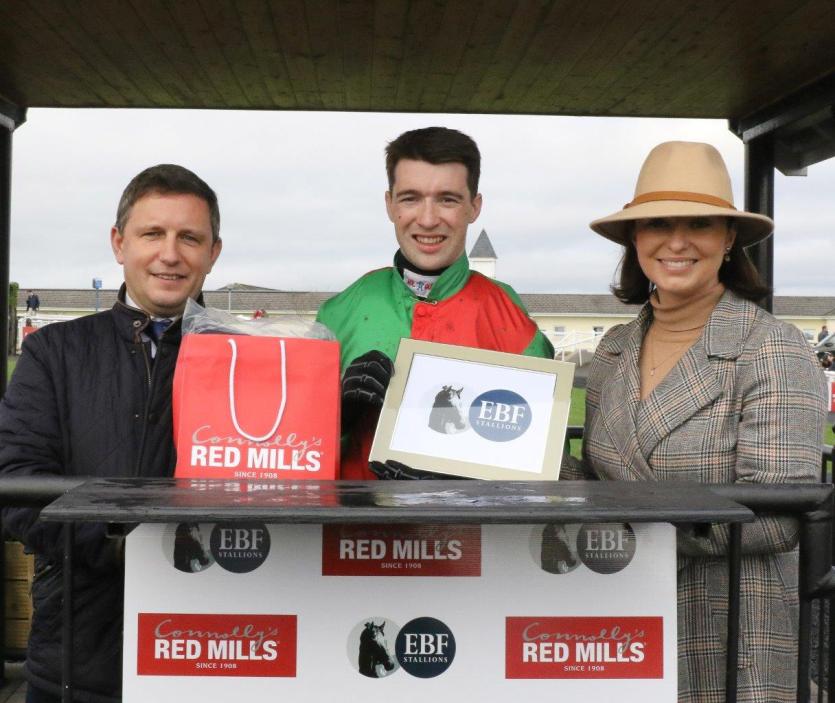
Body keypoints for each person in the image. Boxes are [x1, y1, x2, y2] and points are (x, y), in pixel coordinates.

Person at [566, 141, 825, 702]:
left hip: (733, 629)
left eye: (700, 223)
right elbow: (593, 480)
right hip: (620, 622)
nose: (677, 241)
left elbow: (778, 518)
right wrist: (523, 460)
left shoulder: (773, 348)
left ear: (729, 238)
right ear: (635, 239)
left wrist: (627, 530)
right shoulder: (613, 349)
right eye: (658, 222)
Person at [0, 164, 223, 703]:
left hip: (218, 647)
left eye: (189, 238)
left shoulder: (249, 357)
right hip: (79, 656)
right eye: (153, 234)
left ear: (213, 252)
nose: (170, 254)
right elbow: (15, 485)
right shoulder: (53, 352)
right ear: (120, 244)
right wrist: (130, 547)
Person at [316, 126, 553, 479]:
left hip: (471, 518)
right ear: (390, 204)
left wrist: (465, 482)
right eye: (410, 198)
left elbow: (546, 464)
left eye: (447, 199)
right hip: (354, 515)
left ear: (474, 207)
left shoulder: (510, 318)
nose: (428, 220)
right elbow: (290, 453)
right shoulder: (338, 313)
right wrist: (339, 420)